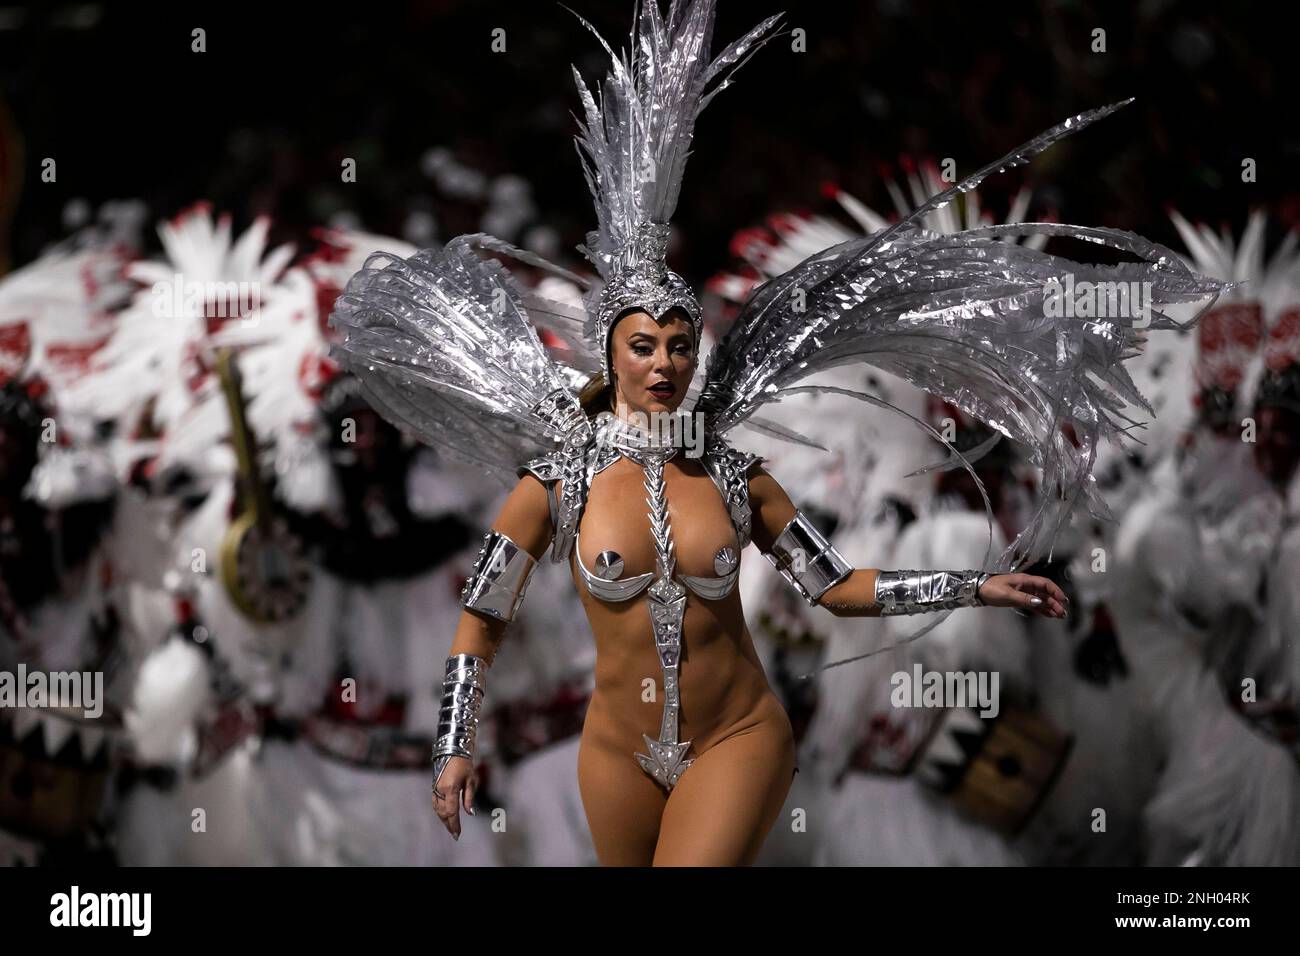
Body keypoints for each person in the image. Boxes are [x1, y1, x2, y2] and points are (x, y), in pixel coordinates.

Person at [328, 0, 1226, 866]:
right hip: (616, 755)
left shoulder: (735, 474)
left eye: (681, 345)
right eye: (644, 346)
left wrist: (976, 585)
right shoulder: (554, 486)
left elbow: (837, 589)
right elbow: (482, 617)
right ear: (611, 356)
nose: (666, 363)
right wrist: (455, 746)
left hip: (738, 735)